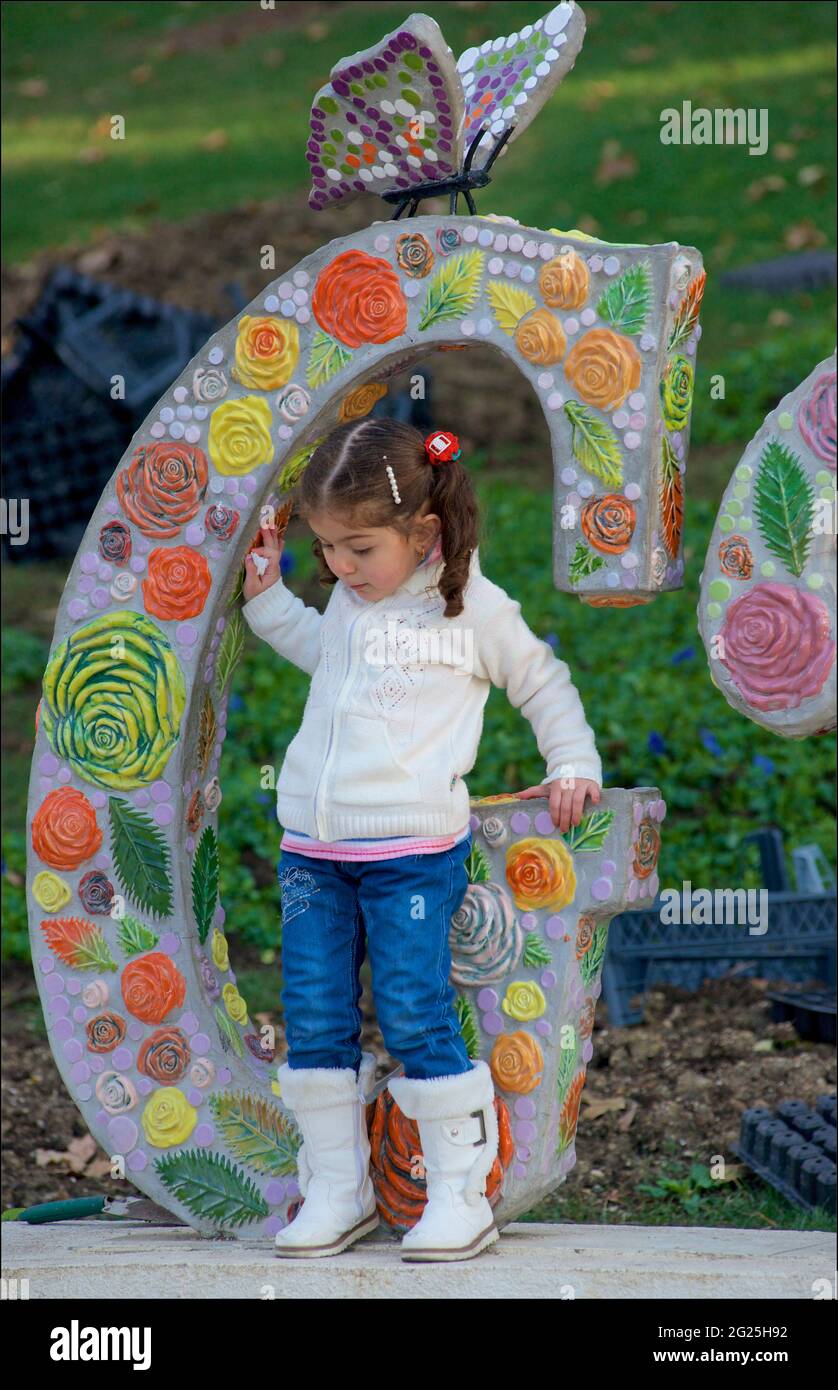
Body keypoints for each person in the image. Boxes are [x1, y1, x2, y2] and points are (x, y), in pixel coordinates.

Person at [241, 416, 602, 1263]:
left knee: (411, 1011)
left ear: (424, 531)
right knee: (316, 1016)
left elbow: (539, 677)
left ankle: (459, 1194)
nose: (338, 567)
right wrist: (265, 598)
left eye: (358, 548)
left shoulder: (471, 603)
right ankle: (338, 1189)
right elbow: (318, 652)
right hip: (313, 854)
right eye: (325, 548)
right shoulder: (350, 600)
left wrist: (572, 758)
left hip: (410, 852)